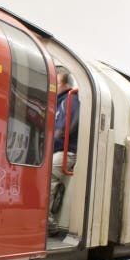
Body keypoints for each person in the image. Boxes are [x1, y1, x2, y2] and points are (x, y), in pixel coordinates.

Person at [48, 66, 80, 235]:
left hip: (68, 151)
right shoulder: (58, 102)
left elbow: (66, 128)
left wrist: (56, 135)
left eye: (56, 82)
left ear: (66, 85)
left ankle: (49, 223)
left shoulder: (70, 100)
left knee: (48, 173)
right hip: (55, 149)